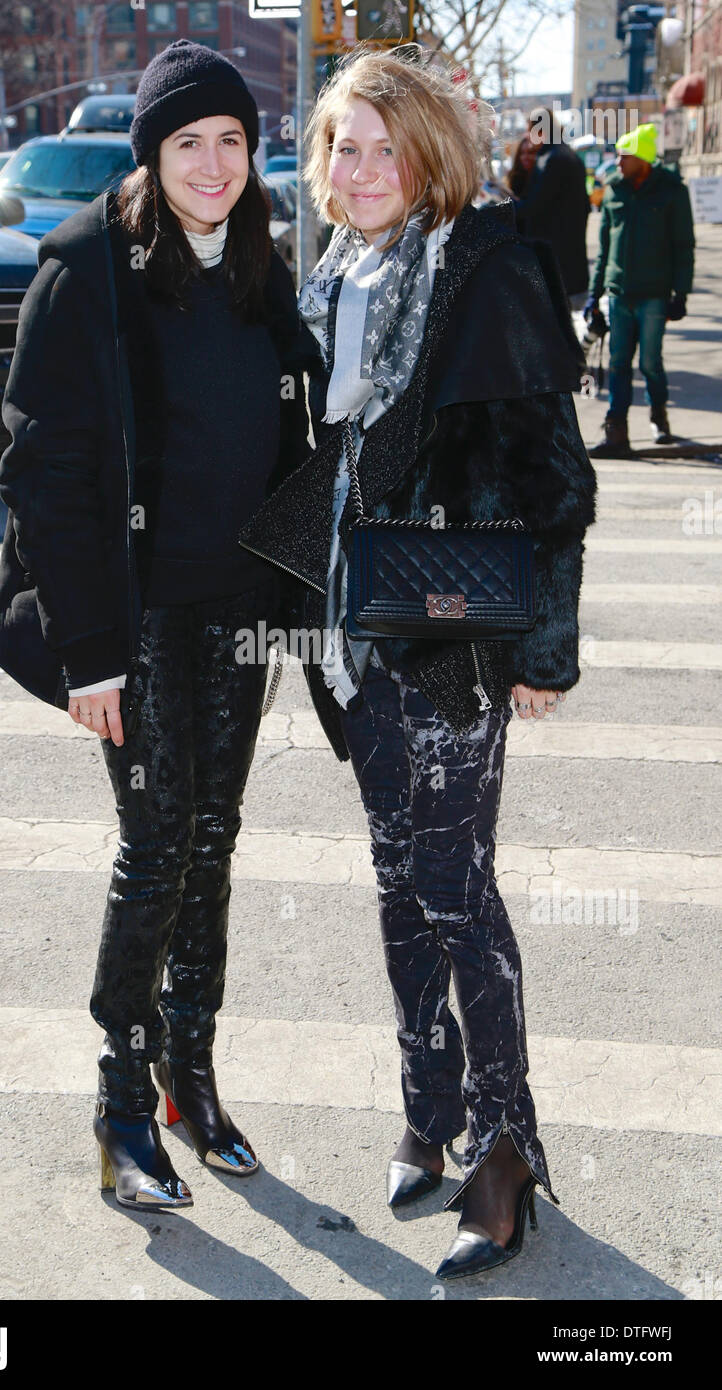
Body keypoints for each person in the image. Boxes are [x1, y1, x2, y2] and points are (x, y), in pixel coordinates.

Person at [240, 46, 597, 1280]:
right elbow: (329, 457)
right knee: (397, 883)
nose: (362, 167)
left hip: (447, 634)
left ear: (430, 154)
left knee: (455, 889)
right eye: (343, 144)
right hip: (355, 632)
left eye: (388, 144)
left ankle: (504, 1151)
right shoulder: (337, 276)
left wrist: (542, 647)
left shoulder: (484, 269)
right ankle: (426, 1110)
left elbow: (555, 476)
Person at [0, 40, 315, 1211]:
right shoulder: (87, 271)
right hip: (135, 620)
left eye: (231, 138)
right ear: (153, 157)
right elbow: (41, 474)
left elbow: (291, 437)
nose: (213, 162)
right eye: (189, 142)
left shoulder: (263, 267)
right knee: (155, 850)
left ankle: (192, 1072)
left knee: (214, 841)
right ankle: (121, 1101)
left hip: (235, 611)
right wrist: (87, 653)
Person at [586, 122, 695, 455]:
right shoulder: (615, 190)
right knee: (618, 363)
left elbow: (683, 245)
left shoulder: (672, 190)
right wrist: (595, 294)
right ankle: (616, 431)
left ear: (643, 159)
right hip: (619, 294)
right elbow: (604, 247)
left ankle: (659, 421)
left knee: (650, 363)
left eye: (624, 157)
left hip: (655, 294)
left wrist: (681, 293)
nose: (618, 163)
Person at [510, 106, 590, 306]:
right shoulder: (563, 154)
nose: (527, 136)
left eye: (530, 130)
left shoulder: (552, 159)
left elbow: (534, 206)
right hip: (565, 260)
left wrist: (501, 209)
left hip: (556, 262)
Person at [505, 133, 538, 200]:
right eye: (522, 153)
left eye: (530, 152)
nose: (525, 157)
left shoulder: (542, 178)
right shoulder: (515, 177)